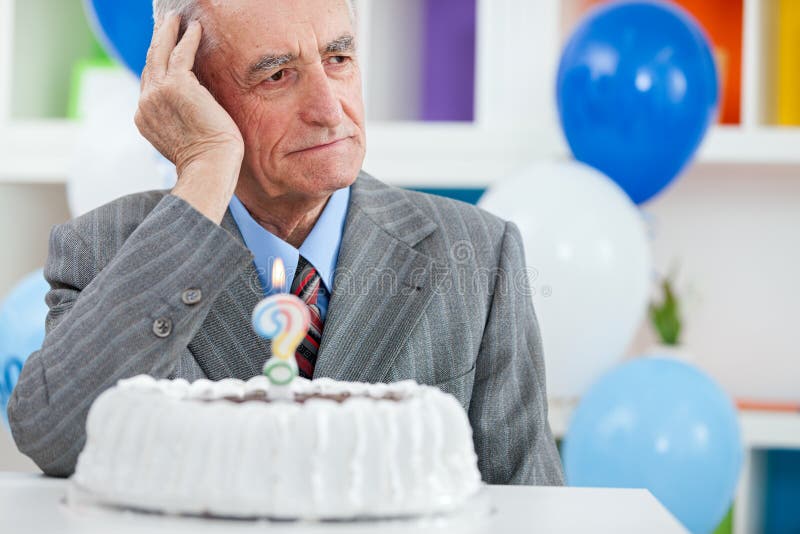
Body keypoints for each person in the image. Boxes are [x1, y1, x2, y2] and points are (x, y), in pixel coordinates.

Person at [8, 0, 564, 485]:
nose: (329, 110)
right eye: (276, 75)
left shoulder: (480, 253)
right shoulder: (101, 249)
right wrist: (203, 170)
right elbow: (57, 436)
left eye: (338, 58)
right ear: (191, 92)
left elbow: (526, 509)